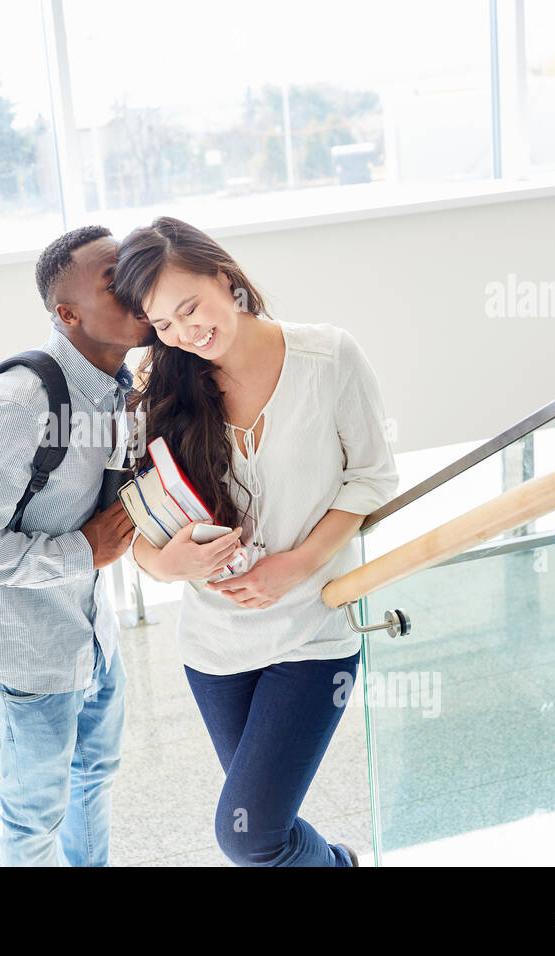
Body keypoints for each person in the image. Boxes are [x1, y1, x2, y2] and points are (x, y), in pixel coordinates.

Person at [113, 216, 399, 867]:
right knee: (267, 834)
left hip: (312, 633)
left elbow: (373, 478)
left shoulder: (327, 356)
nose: (186, 332)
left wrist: (295, 566)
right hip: (214, 649)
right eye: (163, 324)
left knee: (248, 837)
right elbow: (133, 531)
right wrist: (166, 564)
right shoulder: (159, 391)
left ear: (224, 275)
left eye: (190, 307)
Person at [0, 225, 155, 866]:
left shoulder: (122, 386)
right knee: (35, 821)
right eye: (114, 281)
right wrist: (83, 550)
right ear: (67, 313)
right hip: (24, 658)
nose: (136, 289)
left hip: (91, 638)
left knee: (91, 786)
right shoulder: (24, 397)